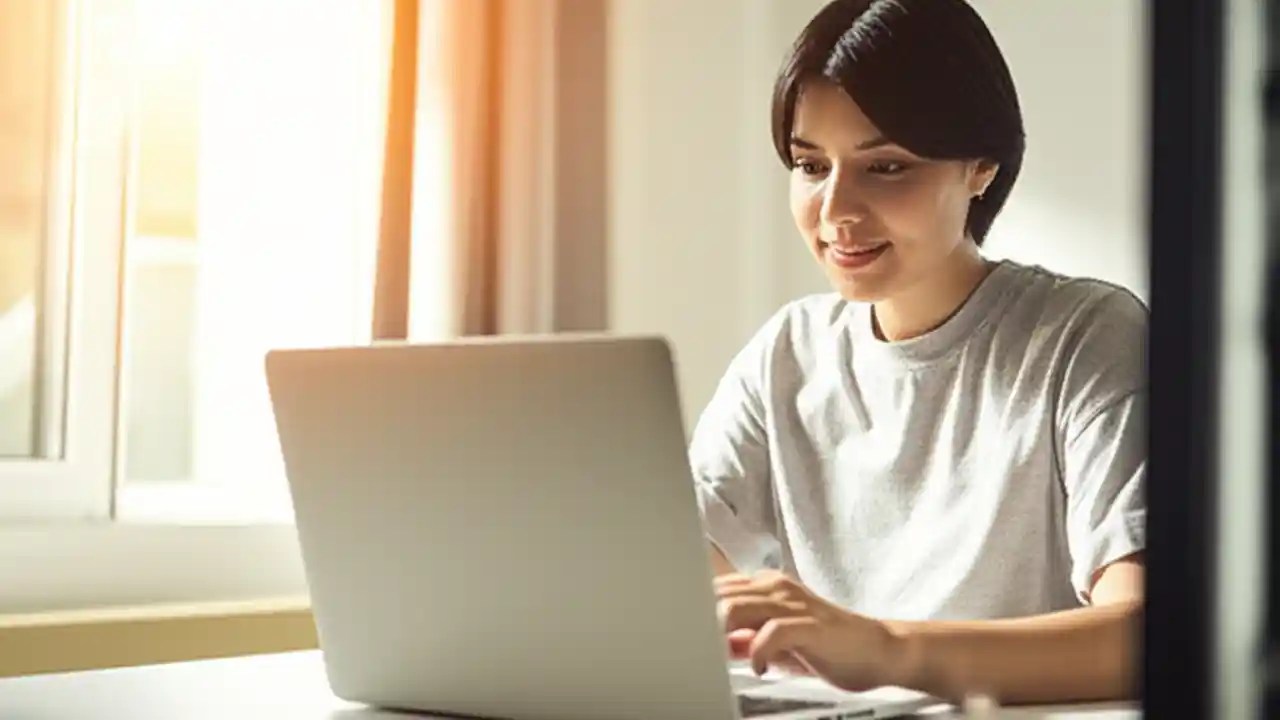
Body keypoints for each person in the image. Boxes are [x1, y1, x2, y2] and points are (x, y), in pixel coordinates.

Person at [693, 0, 1145, 706]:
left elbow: (1143, 637)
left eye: (887, 167)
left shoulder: (1085, 336)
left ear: (981, 166)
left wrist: (882, 649)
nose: (836, 209)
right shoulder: (787, 354)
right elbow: (667, 583)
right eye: (811, 166)